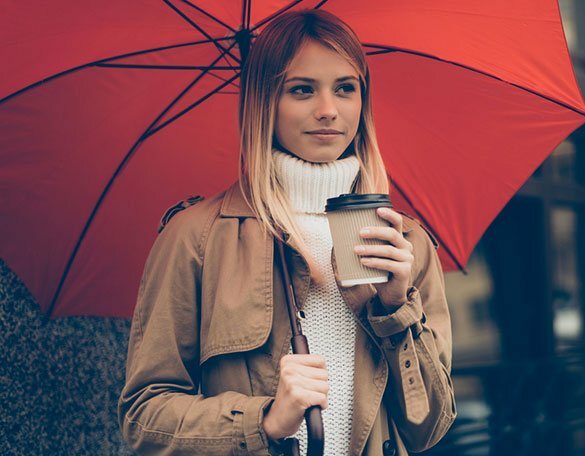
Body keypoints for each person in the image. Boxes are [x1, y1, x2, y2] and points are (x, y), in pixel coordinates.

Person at [117, 9, 456, 456]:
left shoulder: (403, 243)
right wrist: (264, 420)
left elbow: (427, 428)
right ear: (265, 101)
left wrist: (395, 308)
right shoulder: (196, 237)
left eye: (345, 89)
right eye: (301, 90)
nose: (328, 110)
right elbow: (144, 417)